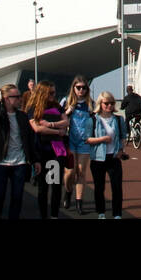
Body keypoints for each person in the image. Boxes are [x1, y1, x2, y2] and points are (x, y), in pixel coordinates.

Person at [0, 84, 39, 219]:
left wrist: (35, 160)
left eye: (20, 96)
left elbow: (29, 139)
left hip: (19, 162)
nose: (20, 99)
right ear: (6, 98)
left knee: (17, 196)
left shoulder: (22, 116)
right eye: (16, 97)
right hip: (0, 161)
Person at [26, 80, 69, 218]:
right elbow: (38, 128)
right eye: (50, 93)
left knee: (55, 185)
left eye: (54, 93)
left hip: (56, 151)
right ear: (42, 93)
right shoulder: (33, 108)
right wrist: (57, 131)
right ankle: (44, 215)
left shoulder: (57, 106)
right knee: (43, 187)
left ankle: (54, 215)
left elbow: (66, 122)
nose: (52, 95)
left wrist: (50, 124)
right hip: (41, 150)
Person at [87, 91, 127, 219]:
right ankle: (101, 213)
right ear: (100, 104)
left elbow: (123, 137)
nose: (109, 106)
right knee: (99, 187)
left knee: (117, 187)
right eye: (106, 103)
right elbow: (88, 139)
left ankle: (117, 214)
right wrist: (102, 139)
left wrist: (121, 150)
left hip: (113, 157)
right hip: (98, 158)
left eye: (112, 103)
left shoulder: (118, 119)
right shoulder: (92, 120)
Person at [61, 76, 95, 213]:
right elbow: (59, 117)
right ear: (73, 88)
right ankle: (68, 191)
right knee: (70, 171)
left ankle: (79, 201)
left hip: (84, 141)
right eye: (78, 87)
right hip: (70, 140)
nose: (81, 90)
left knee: (81, 172)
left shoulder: (91, 103)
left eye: (84, 88)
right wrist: (68, 111)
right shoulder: (66, 101)